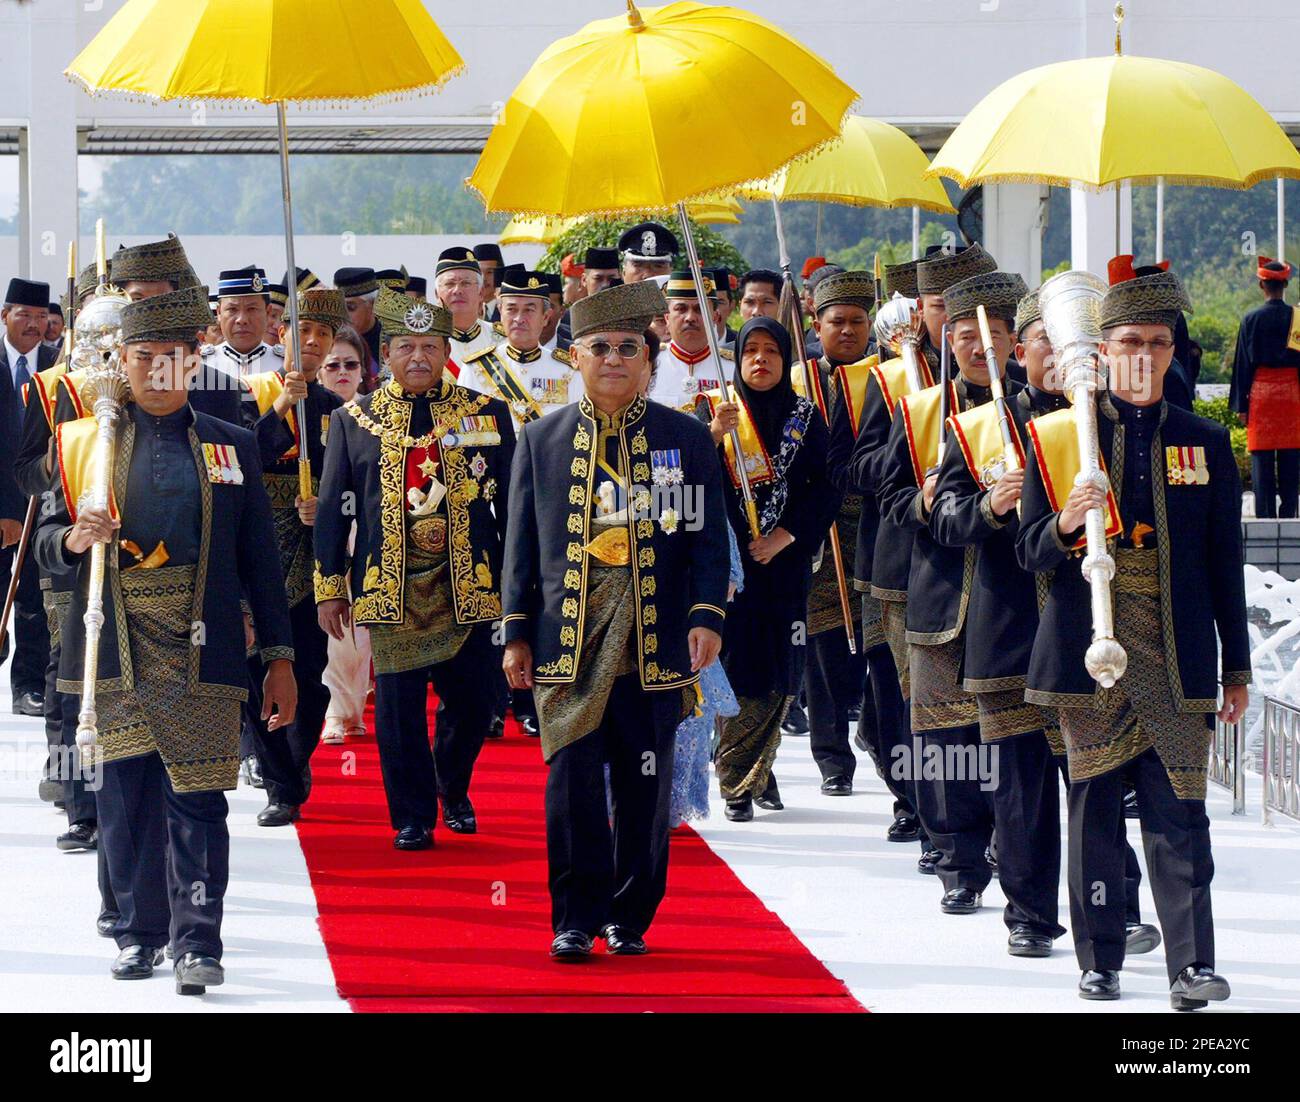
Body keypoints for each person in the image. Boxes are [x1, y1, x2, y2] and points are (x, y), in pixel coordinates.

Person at [34, 284, 297, 994]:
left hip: (202, 639)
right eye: (143, 357)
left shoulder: (231, 443)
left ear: (194, 361)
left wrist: (279, 657)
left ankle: (198, 941)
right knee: (125, 798)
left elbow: (260, 566)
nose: (157, 371)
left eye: (173, 359)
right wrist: (75, 538)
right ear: (122, 360)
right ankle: (138, 933)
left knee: (200, 800)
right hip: (113, 639)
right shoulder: (86, 442)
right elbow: (44, 547)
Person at [1017, 267, 1250, 1009]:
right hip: (1093, 650)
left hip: (1179, 650)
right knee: (1091, 813)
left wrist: (1237, 668)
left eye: (1157, 342)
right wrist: (1064, 517)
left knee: (1181, 809)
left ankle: (1191, 966)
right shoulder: (1061, 437)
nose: (1143, 356)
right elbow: (1026, 549)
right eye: (1128, 342)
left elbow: (1226, 567)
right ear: (1103, 350)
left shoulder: (1206, 442)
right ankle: (1101, 959)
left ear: (1174, 351)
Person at [502, 278, 729, 960]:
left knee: (643, 783)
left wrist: (708, 616)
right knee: (570, 782)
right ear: (575, 357)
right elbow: (520, 546)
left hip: (654, 642)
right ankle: (573, 917)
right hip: (566, 645)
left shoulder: (684, 438)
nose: (614, 360)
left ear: (648, 361)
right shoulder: (541, 440)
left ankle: (629, 916)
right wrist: (515, 632)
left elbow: (709, 541)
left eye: (629, 348)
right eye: (600, 347)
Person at [316, 287, 515, 848]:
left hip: (471, 582)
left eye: (431, 346)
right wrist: (331, 587)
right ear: (387, 352)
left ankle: (451, 785)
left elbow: (517, 506)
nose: (419, 358)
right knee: (398, 713)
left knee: (477, 701)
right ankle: (411, 815)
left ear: (446, 349)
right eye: (406, 347)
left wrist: (519, 582)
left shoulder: (486, 412)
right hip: (388, 584)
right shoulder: (353, 420)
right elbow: (333, 509)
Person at [878, 267, 1026, 915]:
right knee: (943, 740)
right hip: (938, 597)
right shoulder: (921, 410)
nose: (979, 347)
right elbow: (886, 495)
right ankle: (958, 861)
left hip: (1015, 601)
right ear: (948, 339)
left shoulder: (1036, 407)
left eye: (995, 334)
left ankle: (1012, 847)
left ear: (1015, 341)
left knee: (1011, 737)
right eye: (967, 334)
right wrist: (923, 500)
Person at [701, 316, 840, 821]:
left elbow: (826, 486)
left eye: (772, 351)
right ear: (736, 360)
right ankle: (737, 781)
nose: (760, 360)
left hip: (782, 564)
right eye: (750, 351)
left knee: (778, 668)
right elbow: (682, 479)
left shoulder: (804, 414)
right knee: (736, 664)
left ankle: (756, 769)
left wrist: (786, 536)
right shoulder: (717, 409)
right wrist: (713, 435)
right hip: (726, 566)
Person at [243, 287, 348, 828]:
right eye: (303, 331)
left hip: (311, 561)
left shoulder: (338, 412)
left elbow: (355, 488)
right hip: (256, 554)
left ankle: (296, 757)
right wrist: (282, 405)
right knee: (259, 666)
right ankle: (280, 781)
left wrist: (325, 506)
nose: (311, 342)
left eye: (323, 335)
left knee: (307, 673)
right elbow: (239, 459)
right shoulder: (251, 394)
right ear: (280, 333)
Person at [803, 271, 879, 797]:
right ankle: (832, 756)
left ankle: (877, 733)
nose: (848, 331)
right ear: (817, 323)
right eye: (837, 322)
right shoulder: (796, 380)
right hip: (816, 531)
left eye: (857, 321)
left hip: (876, 526)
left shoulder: (889, 377)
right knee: (824, 645)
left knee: (879, 643)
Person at [1, 276, 55, 718]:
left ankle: (28, 685)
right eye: (25, 315)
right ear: (5, 316)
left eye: (41, 317)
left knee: (36, 600)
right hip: (2, 503)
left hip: (48, 502)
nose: (34, 325)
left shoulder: (62, 367)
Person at [318, 325, 373, 744]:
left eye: (349, 364)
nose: (341, 372)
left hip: (364, 528)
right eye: (332, 364)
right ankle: (337, 706)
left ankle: (350, 707)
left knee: (359, 626)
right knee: (332, 625)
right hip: (314, 533)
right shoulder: (307, 411)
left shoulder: (374, 417)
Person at [460, 269, 579, 428]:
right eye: (511, 309)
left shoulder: (568, 371)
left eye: (529, 310)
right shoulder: (475, 368)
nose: (519, 319)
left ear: (545, 317)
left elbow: (575, 429)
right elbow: (464, 432)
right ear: (501, 313)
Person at [1229, 255, 1300, 518]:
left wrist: (1241, 404)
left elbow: (1242, 365)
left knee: (1262, 457)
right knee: (1291, 455)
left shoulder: (1251, 319)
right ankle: (1289, 511)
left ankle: (1265, 513)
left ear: (1262, 286)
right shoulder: (1298, 318)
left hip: (1262, 393)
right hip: (1293, 394)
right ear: (1286, 285)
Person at [650, 272, 732, 410]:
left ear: (715, 317)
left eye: (699, 309)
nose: (690, 318)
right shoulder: (649, 364)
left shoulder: (733, 368)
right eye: (681, 309)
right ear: (667, 318)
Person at [433, 248, 494, 370]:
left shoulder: (501, 339)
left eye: (466, 283)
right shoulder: (424, 343)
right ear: (436, 294)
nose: (458, 290)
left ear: (481, 292)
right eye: (450, 284)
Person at [473, 244, 503, 317]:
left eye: (489, 272)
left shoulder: (507, 308)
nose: (483, 279)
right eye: (479, 272)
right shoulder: (466, 309)